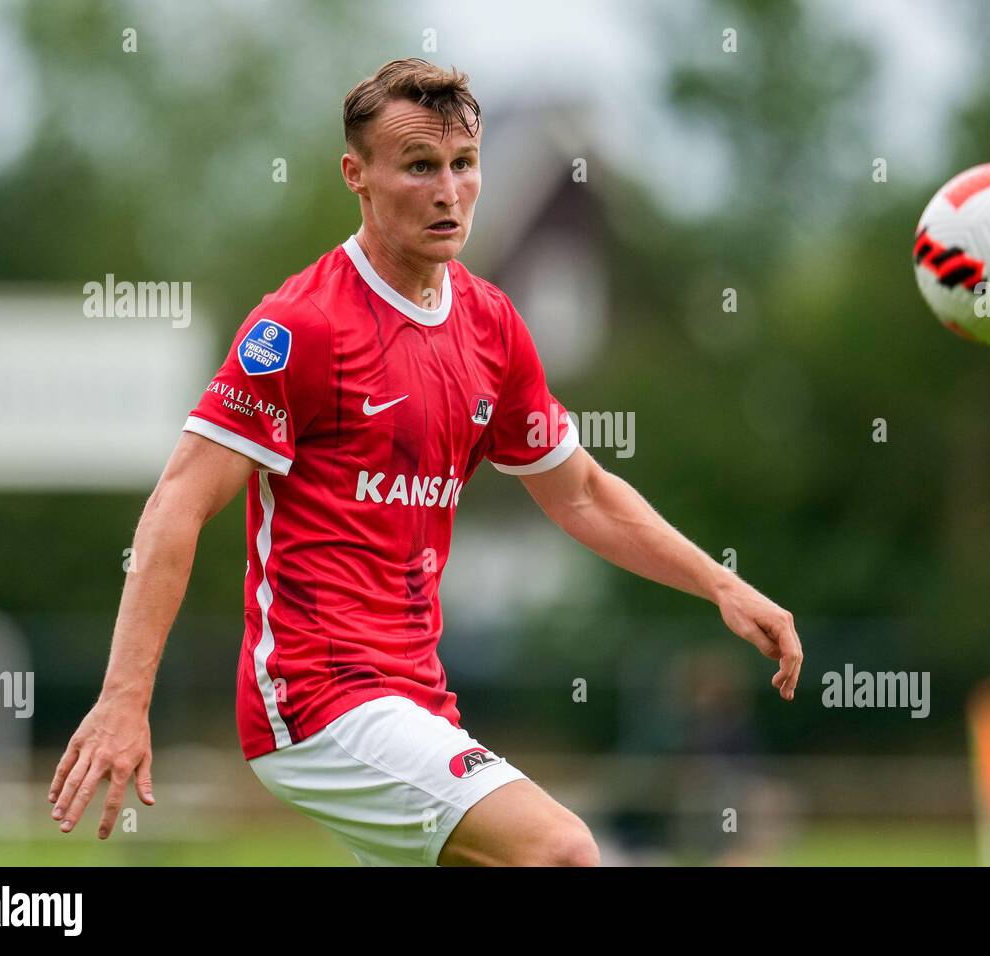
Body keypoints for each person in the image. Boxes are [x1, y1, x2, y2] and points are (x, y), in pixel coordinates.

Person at [47, 58, 802, 866]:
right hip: (315, 694)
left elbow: (580, 492)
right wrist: (125, 697)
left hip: (416, 697)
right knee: (564, 852)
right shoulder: (301, 326)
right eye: (418, 167)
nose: (448, 190)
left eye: (464, 164)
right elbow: (179, 503)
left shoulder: (492, 326)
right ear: (358, 176)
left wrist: (718, 581)